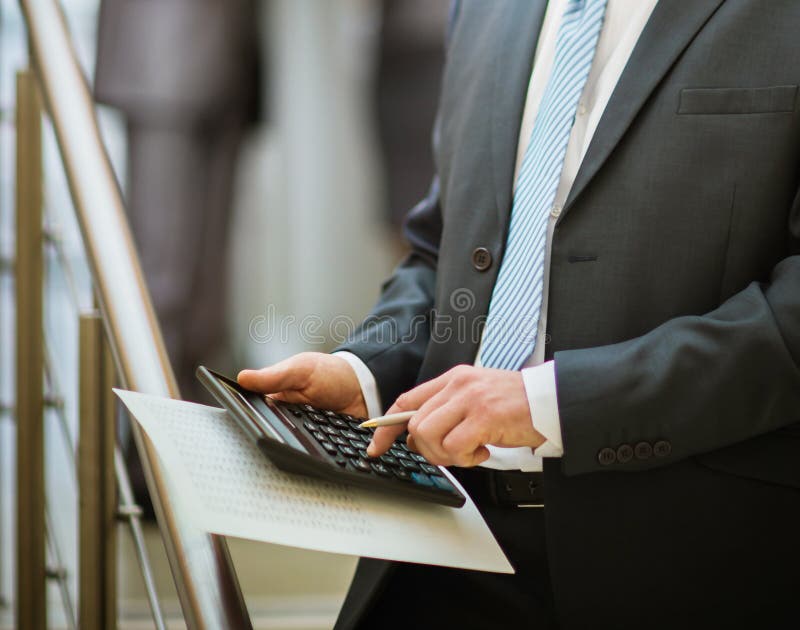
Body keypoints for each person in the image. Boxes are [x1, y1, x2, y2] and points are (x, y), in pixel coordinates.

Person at [238, 1, 800, 628]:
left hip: (688, 556)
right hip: (444, 542)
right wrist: (365, 369)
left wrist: (551, 403)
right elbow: (443, 247)